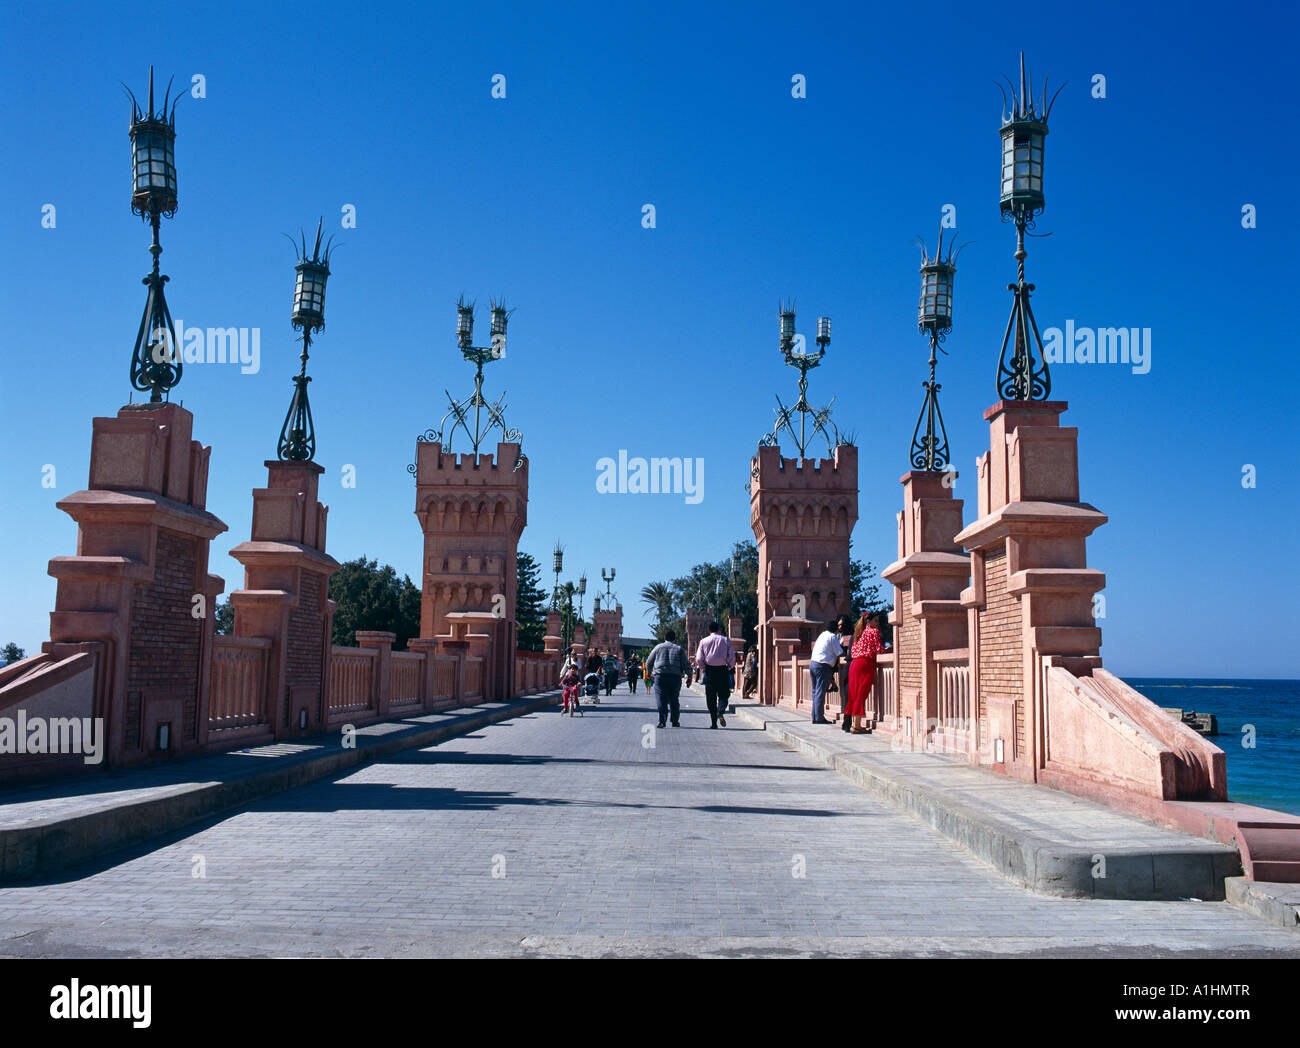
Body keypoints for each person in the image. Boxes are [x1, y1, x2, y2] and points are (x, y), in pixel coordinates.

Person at [843, 612, 884, 734]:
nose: (878, 623)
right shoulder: (873, 631)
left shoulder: (858, 633)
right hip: (865, 664)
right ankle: (856, 726)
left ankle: (855, 724)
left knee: (854, 694)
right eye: (876, 621)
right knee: (861, 693)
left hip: (854, 664)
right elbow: (879, 649)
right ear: (868, 621)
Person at [809, 615, 850, 724]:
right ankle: (819, 718)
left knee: (815, 692)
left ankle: (815, 716)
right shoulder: (832, 637)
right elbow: (839, 652)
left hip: (813, 664)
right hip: (822, 666)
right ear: (835, 629)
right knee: (820, 692)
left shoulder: (822, 635)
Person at [695, 620, 736, 728]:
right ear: (719, 629)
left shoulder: (703, 641)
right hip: (722, 670)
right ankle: (720, 711)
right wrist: (730, 667)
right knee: (724, 695)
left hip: (710, 672)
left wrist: (703, 668)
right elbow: (732, 657)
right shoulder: (726, 640)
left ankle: (714, 723)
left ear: (709, 630)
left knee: (711, 697)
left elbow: (699, 658)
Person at [646, 628, 689, 729]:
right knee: (674, 698)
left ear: (664, 638)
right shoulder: (679, 649)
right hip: (675, 677)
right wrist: (690, 676)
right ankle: (674, 721)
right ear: (674, 638)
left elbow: (649, 662)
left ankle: (662, 721)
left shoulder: (657, 648)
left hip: (660, 676)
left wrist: (649, 673)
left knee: (661, 698)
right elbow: (686, 664)